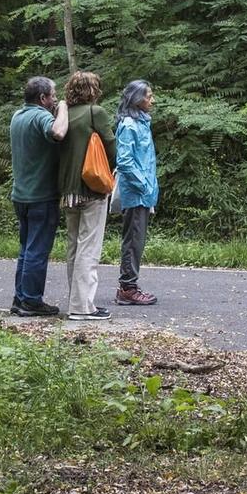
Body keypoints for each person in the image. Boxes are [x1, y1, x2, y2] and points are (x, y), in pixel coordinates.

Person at [55, 69, 118, 320]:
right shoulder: (96, 112)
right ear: (93, 90)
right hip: (91, 188)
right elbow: (111, 146)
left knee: (73, 246)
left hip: (67, 190)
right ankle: (83, 307)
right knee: (89, 249)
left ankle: (75, 302)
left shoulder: (63, 115)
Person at [8, 75, 69, 316]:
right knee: (37, 251)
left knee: (26, 249)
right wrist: (63, 108)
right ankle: (32, 301)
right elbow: (58, 133)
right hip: (40, 195)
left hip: (21, 195)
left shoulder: (18, 115)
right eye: (53, 95)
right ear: (42, 98)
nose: (55, 99)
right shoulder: (41, 115)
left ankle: (20, 297)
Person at [114, 79, 159, 306]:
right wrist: (144, 186)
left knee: (137, 240)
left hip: (143, 192)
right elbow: (125, 161)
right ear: (137, 99)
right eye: (148, 96)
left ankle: (130, 284)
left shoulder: (142, 123)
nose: (152, 100)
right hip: (135, 193)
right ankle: (127, 288)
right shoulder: (130, 125)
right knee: (133, 240)